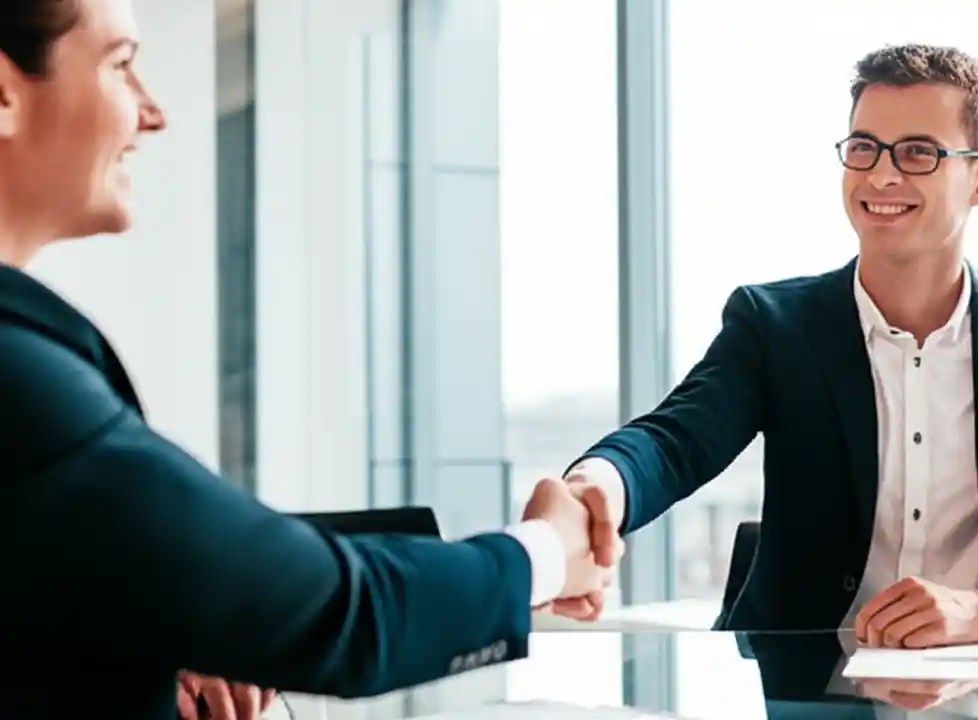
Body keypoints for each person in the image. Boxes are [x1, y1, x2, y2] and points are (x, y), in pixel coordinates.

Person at [0, 1, 610, 718]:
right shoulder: (18, 373)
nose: (152, 112)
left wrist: (179, 629)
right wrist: (541, 554)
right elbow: (338, 612)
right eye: (121, 65)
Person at [536, 43, 978, 645]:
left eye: (918, 152)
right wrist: (600, 484)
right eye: (863, 147)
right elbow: (674, 440)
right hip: (809, 688)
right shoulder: (775, 324)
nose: (880, 175)